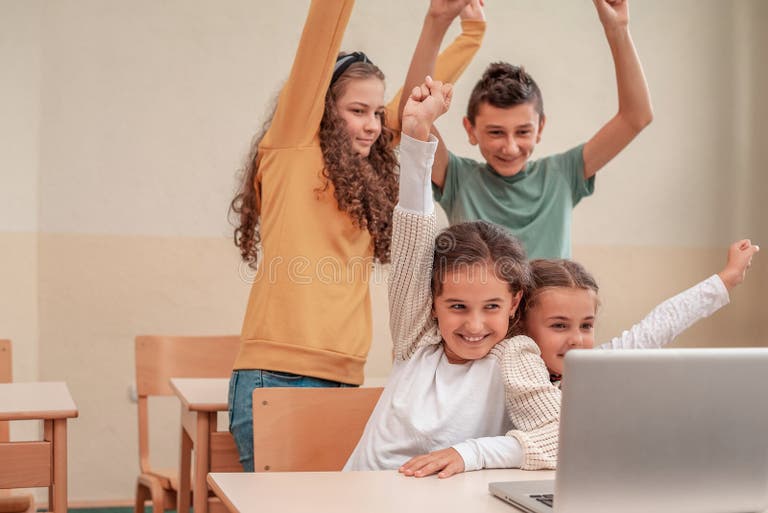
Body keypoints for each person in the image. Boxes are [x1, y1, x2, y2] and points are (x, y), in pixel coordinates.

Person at [227, 0, 485, 472]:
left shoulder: (364, 173)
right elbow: (319, 38)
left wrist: (454, 28)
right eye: (357, 110)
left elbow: (417, 103)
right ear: (323, 110)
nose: (372, 124)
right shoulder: (291, 146)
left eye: (376, 112)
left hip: (345, 375)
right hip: (277, 374)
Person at [344, 76, 561, 479]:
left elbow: (564, 436)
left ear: (514, 302)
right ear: (432, 303)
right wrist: (417, 134)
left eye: (491, 306)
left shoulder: (515, 358)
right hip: (363, 497)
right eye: (457, 306)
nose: (474, 325)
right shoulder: (417, 337)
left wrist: (471, 453)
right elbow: (414, 229)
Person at [432, 0, 653, 259]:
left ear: (540, 128)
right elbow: (410, 112)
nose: (510, 147)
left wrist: (618, 29)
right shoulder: (457, 178)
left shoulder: (562, 173)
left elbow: (636, 117)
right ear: (471, 130)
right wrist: (439, 22)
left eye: (523, 132)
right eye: (496, 132)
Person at [521, 240, 760, 381]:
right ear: (521, 323)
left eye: (586, 325)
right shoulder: (508, 377)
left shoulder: (596, 367)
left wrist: (727, 278)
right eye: (559, 325)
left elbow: (659, 326)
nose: (577, 339)